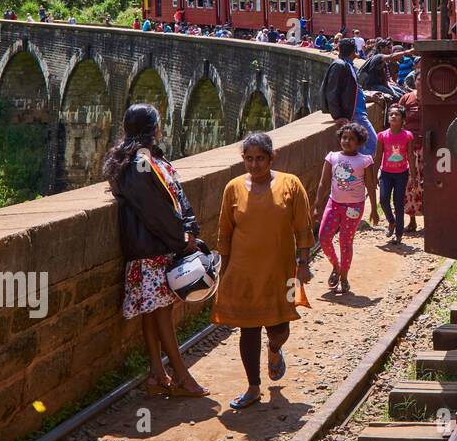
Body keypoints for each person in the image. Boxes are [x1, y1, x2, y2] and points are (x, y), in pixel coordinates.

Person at [102, 103, 210, 399]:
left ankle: (157, 374)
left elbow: (175, 196)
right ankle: (182, 376)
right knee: (161, 314)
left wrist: (188, 226)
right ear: (151, 128)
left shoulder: (143, 159)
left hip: (154, 246)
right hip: (153, 249)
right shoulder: (139, 163)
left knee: (152, 314)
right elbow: (154, 210)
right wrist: (180, 238)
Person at [214, 132, 314, 410]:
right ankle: (253, 387)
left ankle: (274, 349)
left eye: (260, 158)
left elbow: (303, 227)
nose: (255, 165)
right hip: (244, 270)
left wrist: (303, 263)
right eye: (249, 159)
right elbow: (224, 230)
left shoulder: (290, 185)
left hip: (280, 271)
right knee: (248, 329)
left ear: (272, 157)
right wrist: (224, 269)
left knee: (280, 325)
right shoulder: (233, 188)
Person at [312, 122, 379, 294]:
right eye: (344, 137)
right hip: (333, 204)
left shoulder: (365, 161)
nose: (347, 141)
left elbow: (370, 185)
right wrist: (317, 205)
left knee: (345, 242)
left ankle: (344, 277)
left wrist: (374, 209)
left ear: (360, 142)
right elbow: (323, 182)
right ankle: (336, 265)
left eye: (351, 139)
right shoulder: (332, 157)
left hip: (354, 207)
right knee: (324, 237)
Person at [321, 37, 380, 159]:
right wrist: (338, 116)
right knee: (373, 144)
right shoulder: (339, 65)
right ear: (353, 51)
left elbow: (353, 89)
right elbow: (332, 92)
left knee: (362, 148)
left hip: (357, 112)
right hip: (354, 115)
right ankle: (362, 172)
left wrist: (367, 96)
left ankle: (360, 173)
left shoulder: (348, 65)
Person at [377, 105, 415, 243]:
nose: (393, 116)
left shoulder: (408, 136)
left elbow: (410, 156)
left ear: (403, 120)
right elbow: (378, 156)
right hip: (386, 174)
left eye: (397, 115)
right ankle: (391, 221)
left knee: (398, 203)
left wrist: (414, 176)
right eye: (391, 114)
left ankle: (399, 234)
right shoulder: (382, 136)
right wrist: (375, 173)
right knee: (383, 199)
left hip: (401, 174)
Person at [398, 80, 423, 235]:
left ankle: (431, 220)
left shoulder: (433, 98)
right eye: (419, 79)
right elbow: (398, 119)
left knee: (427, 184)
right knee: (409, 184)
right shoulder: (406, 99)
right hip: (409, 148)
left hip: (428, 149)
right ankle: (412, 221)